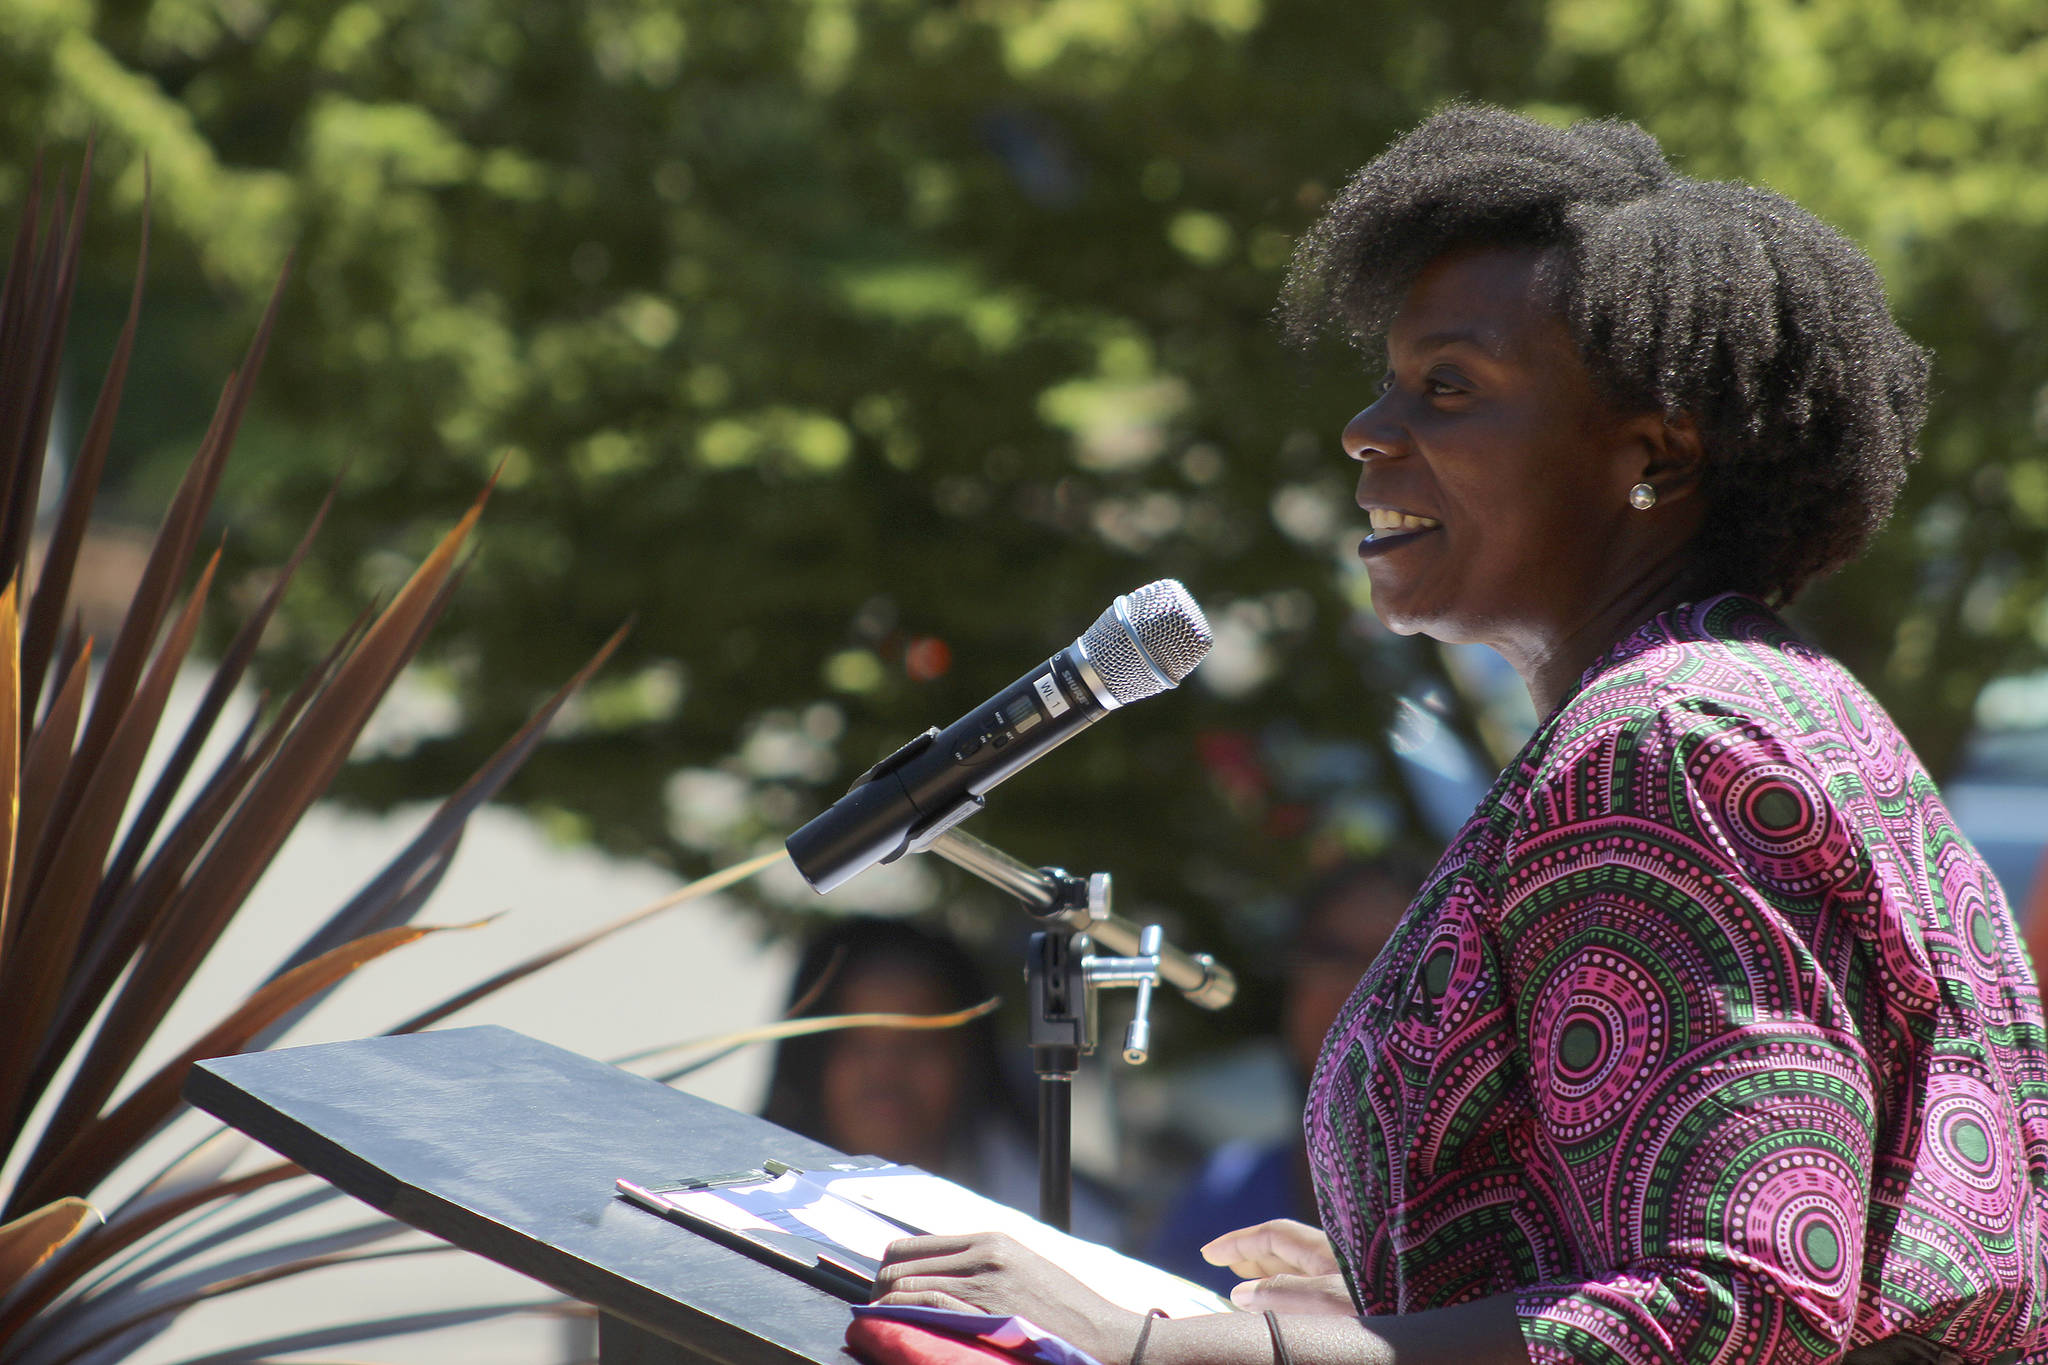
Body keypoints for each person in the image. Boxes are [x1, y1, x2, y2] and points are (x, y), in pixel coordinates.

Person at [867, 104, 2048, 1365]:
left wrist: (1157, 1349)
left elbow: (1738, 1308)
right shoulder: (1754, 699)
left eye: (1448, 387)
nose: (1366, 430)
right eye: (1387, 382)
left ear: (1647, 457)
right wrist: (1393, 1288)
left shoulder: (1666, 747)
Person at [1145, 858, 1422, 1294]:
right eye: (1333, 954)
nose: (1360, 986)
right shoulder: (1226, 1187)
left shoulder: (1510, 1214)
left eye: (1396, 960)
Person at [761, 915, 1124, 1248]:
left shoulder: (1061, 1225)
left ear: (969, 1055)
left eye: (920, 1042)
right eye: (856, 1041)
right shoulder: (746, 1192)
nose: (886, 1070)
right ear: (808, 1058)